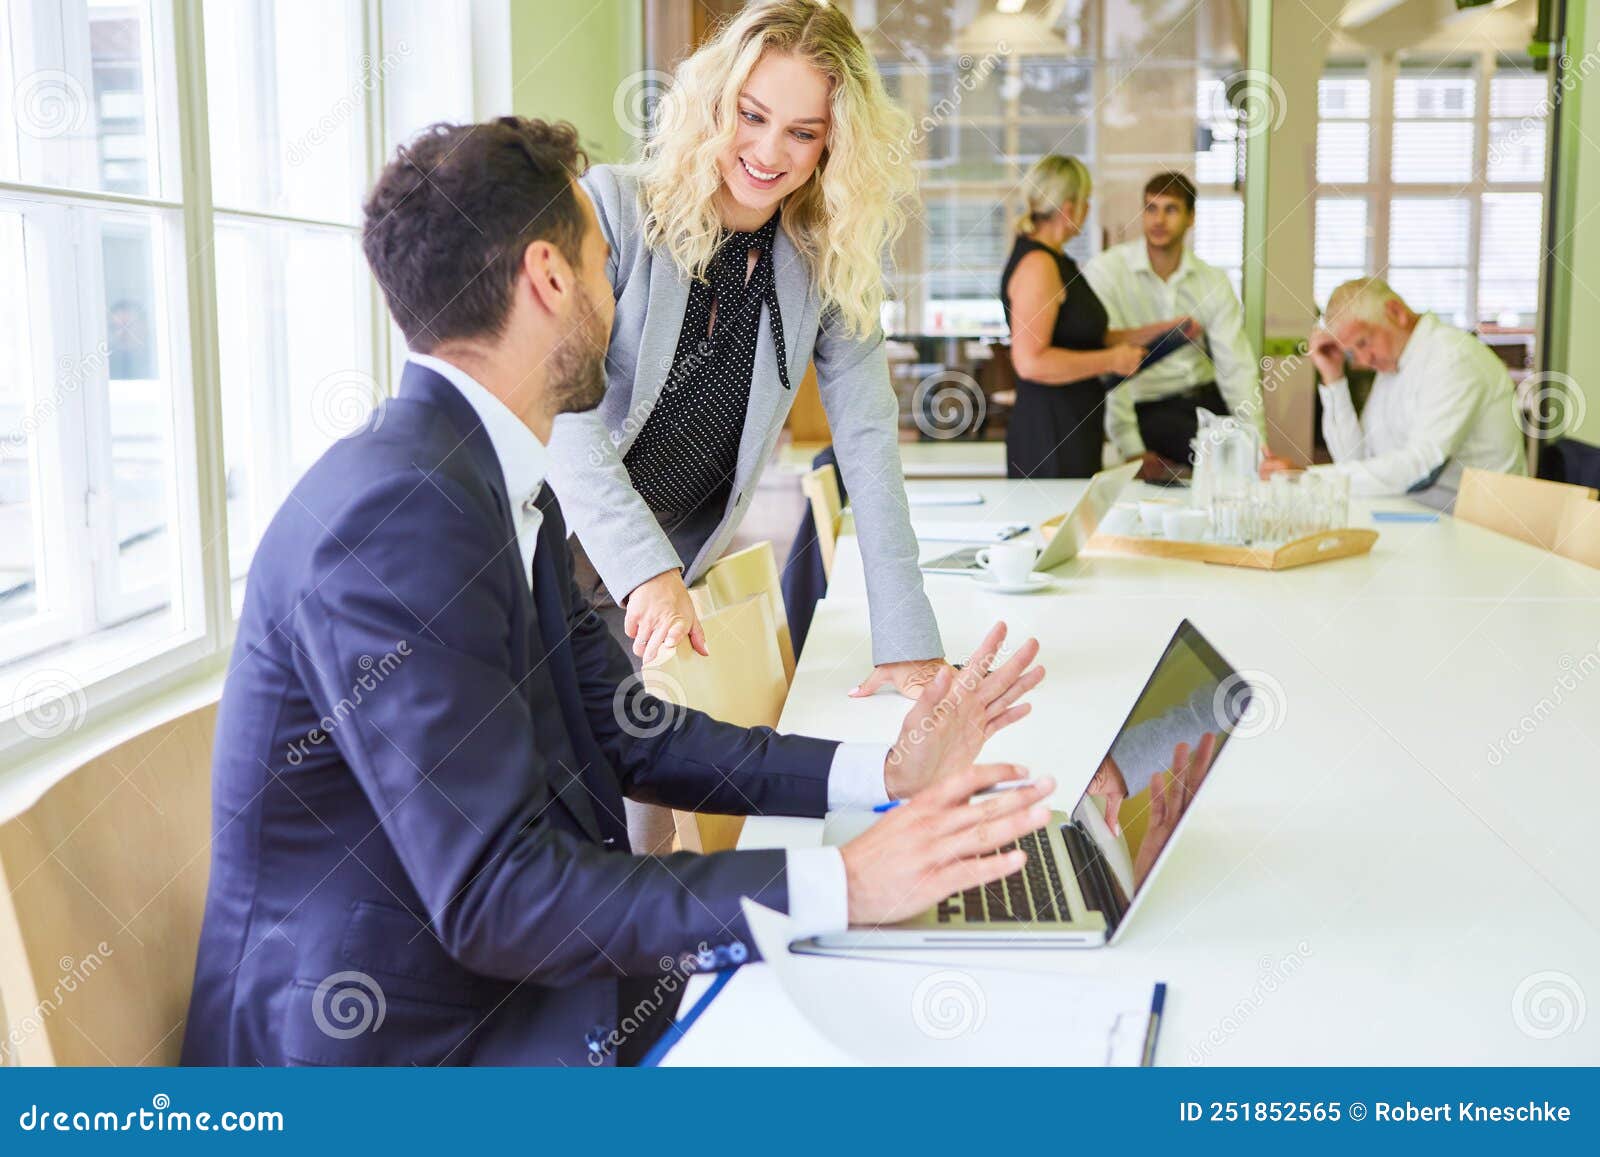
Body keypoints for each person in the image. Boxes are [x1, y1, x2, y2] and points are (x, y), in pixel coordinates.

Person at [181, 118, 1053, 1068]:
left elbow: (635, 729)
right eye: (608, 265)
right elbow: (498, 899)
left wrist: (882, 776)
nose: (622, 295)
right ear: (551, 279)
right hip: (407, 1043)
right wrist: (841, 879)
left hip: (512, 986)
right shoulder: (399, 518)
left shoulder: (491, 480)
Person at [545, 1, 940, 701]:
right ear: (712, 106)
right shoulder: (614, 209)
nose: (766, 153)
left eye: (802, 132)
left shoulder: (827, 256)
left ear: (832, 146)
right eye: (750, 116)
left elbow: (869, 437)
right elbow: (564, 411)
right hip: (544, 554)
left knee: (641, 797)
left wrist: (907, 644)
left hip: (659, 577)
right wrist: (646, 570)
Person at [1264, 277, 1527, 495]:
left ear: (1396, 313)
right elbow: (1355, 460)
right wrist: (1334, 380)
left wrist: (1307, 479)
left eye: (1364, 342)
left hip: (1481, 527)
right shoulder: (1396, 362)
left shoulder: (1453, 357)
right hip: (1425, 516)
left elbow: (1420, 468)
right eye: (1352, 353)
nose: (1363, 360)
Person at [1083, 171, 1266, 482]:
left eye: (1171, 209)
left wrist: (1259, 445)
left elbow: (1236, 367)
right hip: (1150, 407)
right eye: (1151, 209)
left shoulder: (1212, 281)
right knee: (1221, 459)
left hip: (1205, 399)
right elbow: (1114, 368)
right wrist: (1131, 448)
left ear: (1191, 217)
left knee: (1246, 459)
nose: (1158, 220)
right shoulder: (1109, 271)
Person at [1001, 155, 1176, 478]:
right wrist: (1111, 361)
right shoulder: (1038, 266)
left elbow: (1087, 338)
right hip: (1048, 435)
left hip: (1074, 427)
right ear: (1069, 208)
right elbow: (1030, 361)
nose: (1088, 209)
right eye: (1087, 201)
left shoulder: (1059, 261)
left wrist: (1161, 331)